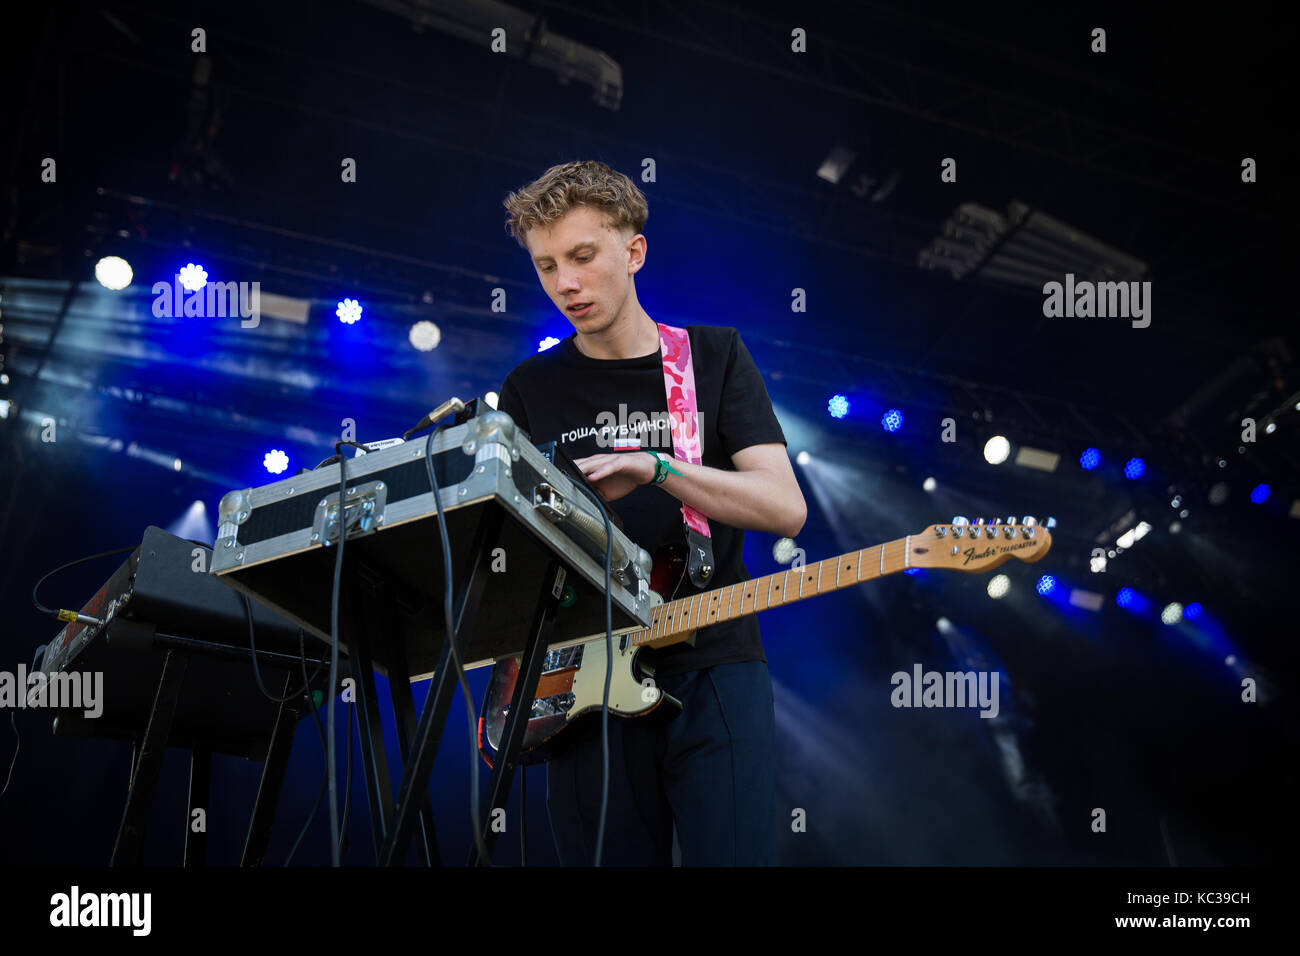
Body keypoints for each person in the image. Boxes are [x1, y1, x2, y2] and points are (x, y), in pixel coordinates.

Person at [495, 160, 806, 866]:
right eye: (546, 266)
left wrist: (659, 470)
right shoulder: (528, 387)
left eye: (582, 256)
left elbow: (785, 508)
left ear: (633, 251)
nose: (565, 284)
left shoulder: (711, 358)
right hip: (582, 681)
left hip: (713, 660)